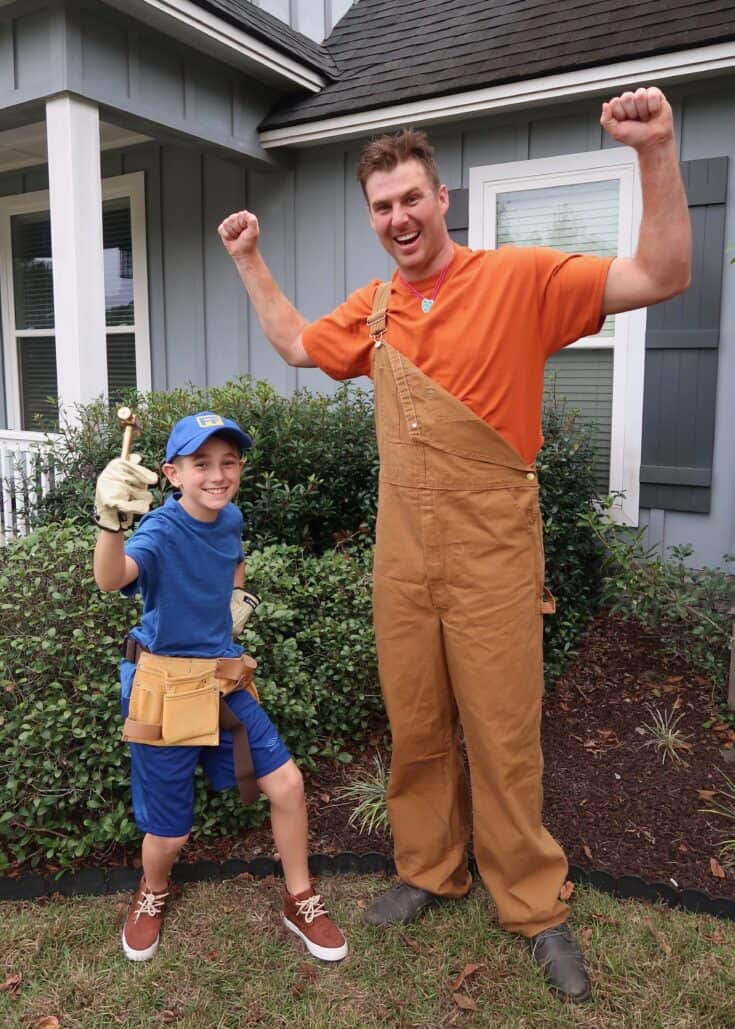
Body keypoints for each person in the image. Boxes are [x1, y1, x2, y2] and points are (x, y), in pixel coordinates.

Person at [218, 87, 691, 1002]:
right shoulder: (376, 310)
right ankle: (429, 866)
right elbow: (292, 343)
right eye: (381, 206)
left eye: (411, 198)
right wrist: (248, 258)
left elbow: (662, 271)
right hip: (402, 550)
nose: (398, 217)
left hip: (491, 550)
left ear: (443, 201)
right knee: (418, 719)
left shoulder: (519, 280)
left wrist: (656, 151)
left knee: (503, 730)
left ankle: (533, 903)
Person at [93, 411, 347, 964]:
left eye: (228, 462)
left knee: (288, 786)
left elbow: (233, 562)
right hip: (162, 687)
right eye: (200, 463)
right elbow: (111, 579)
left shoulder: (229, 517)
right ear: (172, 473)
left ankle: (298, 896)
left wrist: (236, 604)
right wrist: (109, 524)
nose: (217, 474)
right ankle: (153, 890)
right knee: (170, 833)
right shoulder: (161, 528)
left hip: (221, 677)